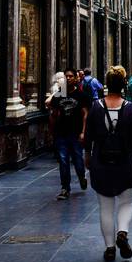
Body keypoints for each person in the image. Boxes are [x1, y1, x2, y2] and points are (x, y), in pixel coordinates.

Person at [84, 66, 132, 261]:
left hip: (100, 161)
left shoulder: (96, 106)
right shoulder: (129, 108)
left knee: (105, 206)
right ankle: (122, 232)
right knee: (126, 202)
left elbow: (88, 135)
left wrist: (87, 154)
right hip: (125, 161)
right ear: (123, 86)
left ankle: (110, 247)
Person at [49, 69, 87, 200]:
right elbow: (53, 112)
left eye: (71, 76)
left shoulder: (80, 95)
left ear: (76, 78)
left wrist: (83, 132)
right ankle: (65, 188)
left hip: (76, 133)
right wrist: (52, 131)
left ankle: (81, 176)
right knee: (63, 160)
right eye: (67, 76)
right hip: (62, 133)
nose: (69, 78)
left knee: (77, 159)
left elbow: (85, 114)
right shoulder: (59, 94)